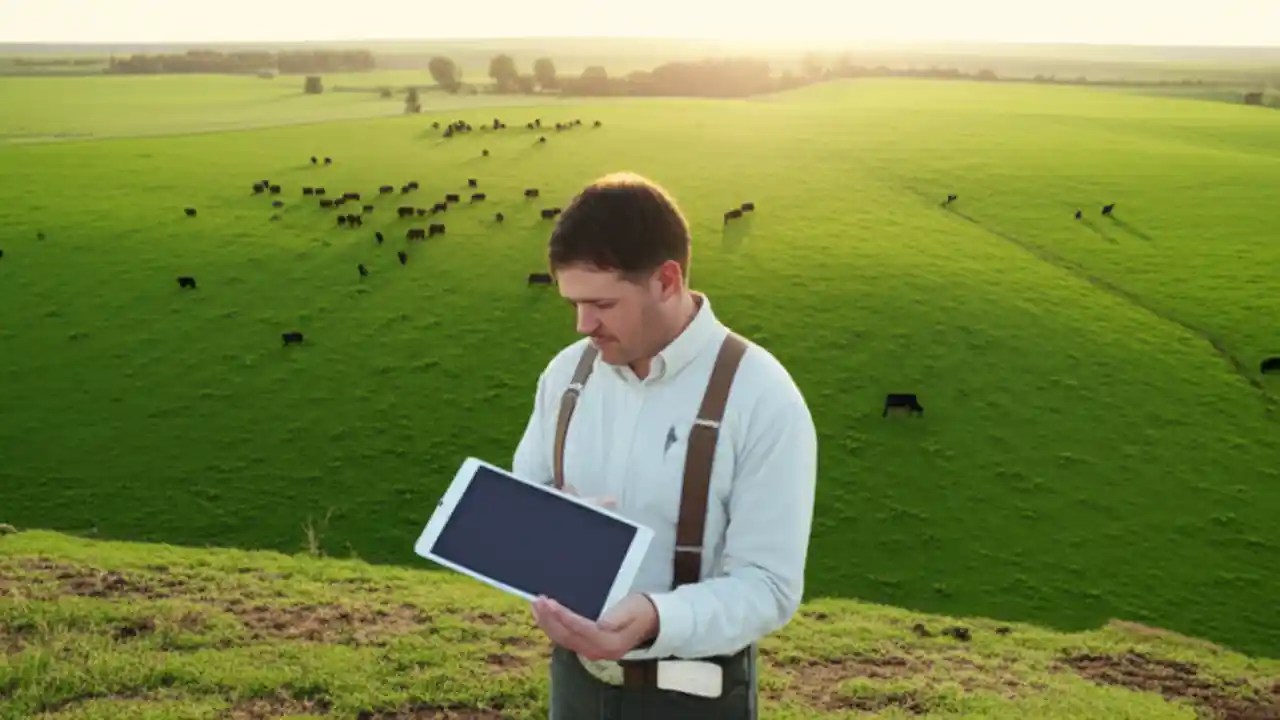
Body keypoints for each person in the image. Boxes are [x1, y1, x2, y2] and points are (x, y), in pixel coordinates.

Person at [512, 172, 818, 719]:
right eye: (573, 304)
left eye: (602, 303)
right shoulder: (565, 377)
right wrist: (549, 537)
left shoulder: (762, 397)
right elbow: (525, 500)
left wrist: (656, 617)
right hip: (573, 685)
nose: (584, 325)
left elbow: (769, 587)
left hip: (693, 696)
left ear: (667, 280)